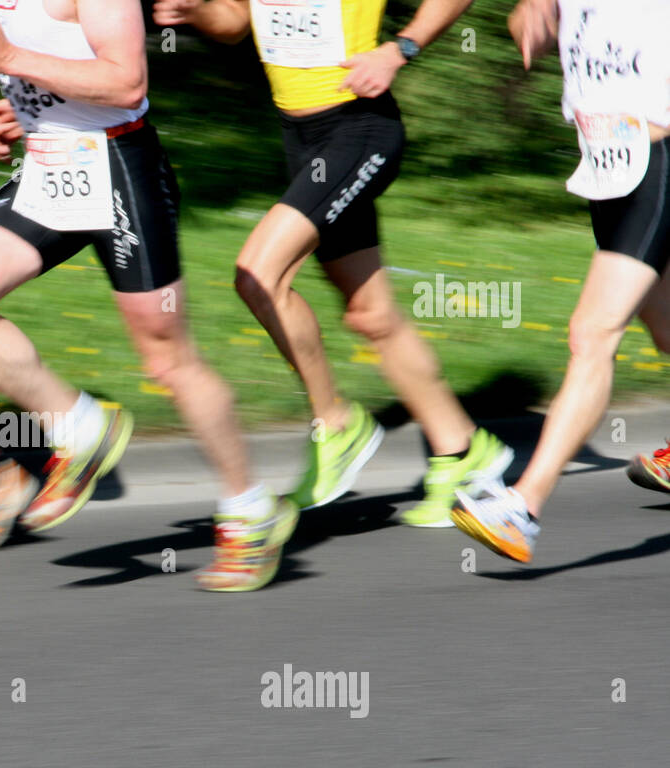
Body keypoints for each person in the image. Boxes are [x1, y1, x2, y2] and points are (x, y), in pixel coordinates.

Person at [0, 0, 297, 589]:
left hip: (119, 166)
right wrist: (23, 106)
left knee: (167, 358)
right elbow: (61, 62)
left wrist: (10, 57)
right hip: (50, 165)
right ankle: (78, 426)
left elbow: (125, 81)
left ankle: (252, 509)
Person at [153, 0, 512, 527]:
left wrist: (400, 49)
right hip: (303, 138)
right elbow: (234, 24)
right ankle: (463, 452)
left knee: (257, 275)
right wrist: (197, 11)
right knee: (371, 315)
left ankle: (337, 423)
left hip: (358, 130)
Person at [452, 0, 670, 562]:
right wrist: (531, 14)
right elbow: (531, 16)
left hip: (658, 156)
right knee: (662, 319)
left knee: (592, 334)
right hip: (607, 162)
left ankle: (521, 508)